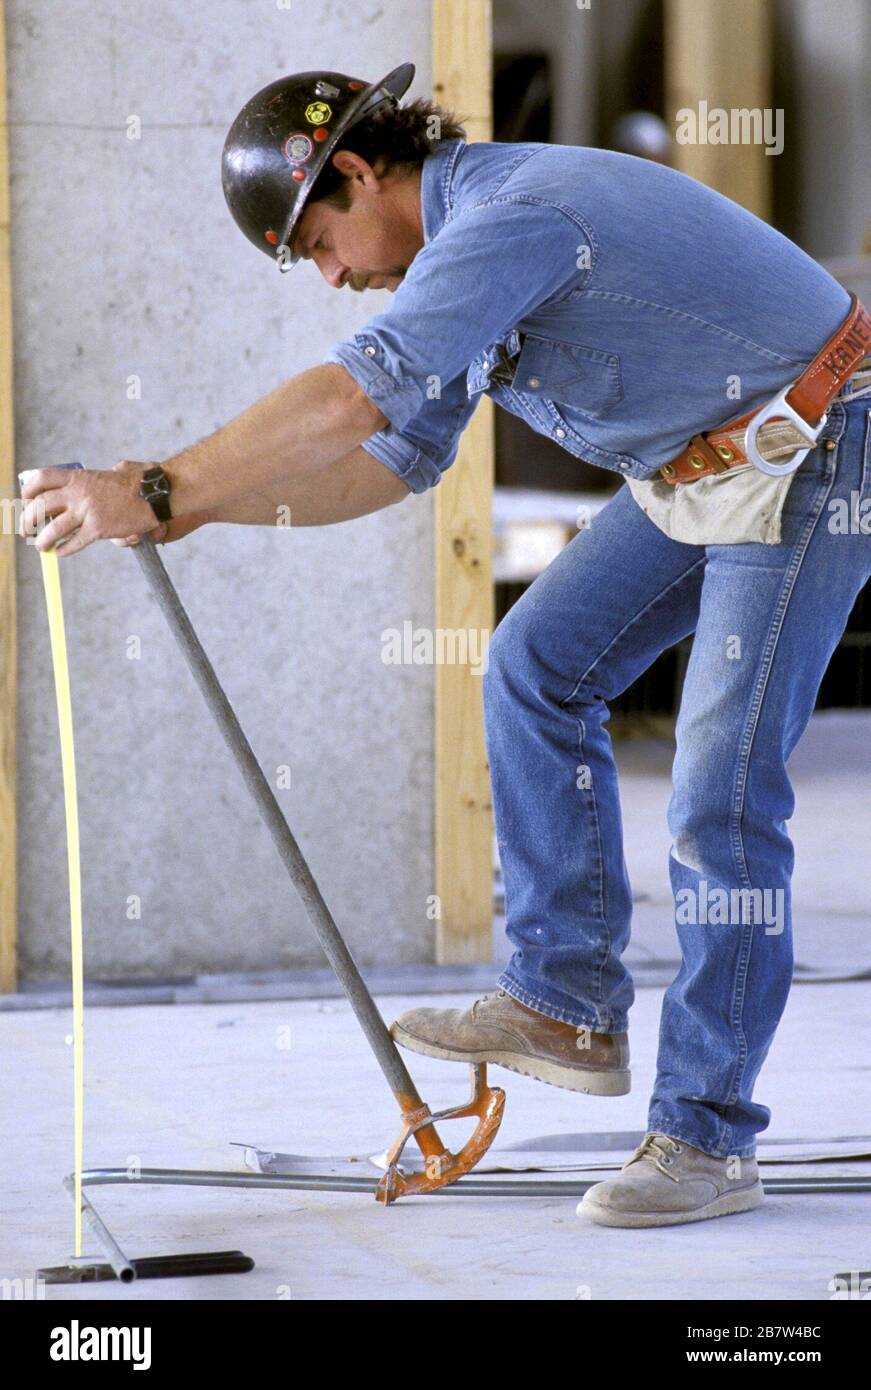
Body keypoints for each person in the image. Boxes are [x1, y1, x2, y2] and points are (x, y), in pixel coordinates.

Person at [19, 63, 871, 1227]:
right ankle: (564, 1002)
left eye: (319, 242)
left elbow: (346, 403)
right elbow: (383, 463)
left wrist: (156, 481)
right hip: (697, 467)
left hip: (816, 449)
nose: (331, 276)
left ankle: (705, 1138)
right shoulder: (455, 261)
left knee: (717, 800)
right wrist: (188, 508)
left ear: (362, 171)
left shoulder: (508, 216)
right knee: (534, 667)